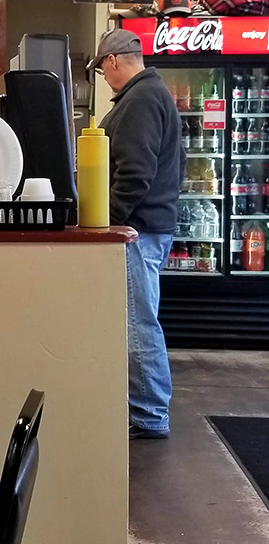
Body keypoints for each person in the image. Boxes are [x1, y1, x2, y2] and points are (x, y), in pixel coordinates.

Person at [90, 28, 185, 439]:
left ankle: (148, 416)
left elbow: (133, 172)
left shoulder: (142, 99)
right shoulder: (149, 94)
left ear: (112, 61)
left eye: (101, 69)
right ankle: (143, 408)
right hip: (146, 227)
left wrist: (106, 223)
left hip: (136, 229)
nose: (104, 77)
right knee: (137, 320)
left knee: (137, 323)